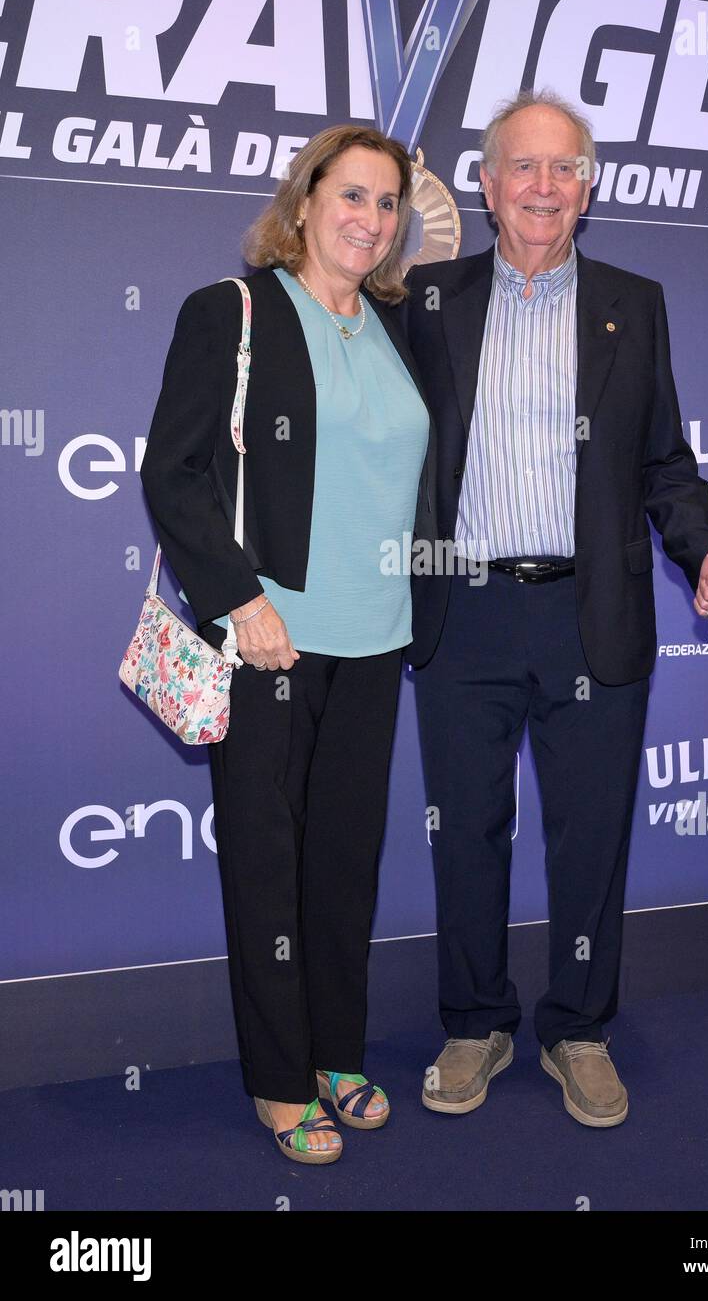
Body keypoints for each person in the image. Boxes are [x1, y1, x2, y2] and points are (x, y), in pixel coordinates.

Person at [402, 88, 708, 1126]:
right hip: (463, 610)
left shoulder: (633, 303)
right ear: (487, 183)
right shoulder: (425, 298)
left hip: (592, 612)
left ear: (587, 190)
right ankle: (475, 1022)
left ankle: (578, 1029)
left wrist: (701, 549)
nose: (544, 187)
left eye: (565, 168)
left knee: (591, 835)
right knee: (466, 830)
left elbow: (662, 459)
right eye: (525, 166)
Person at [140, 125, 435, 1163]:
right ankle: (278, 1079)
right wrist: (239, 601)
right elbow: (172, 472)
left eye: (387, 203)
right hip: (272, 644)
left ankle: (337, 1053)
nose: (370, 219)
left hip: (379, 640)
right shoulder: (234, 311)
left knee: (343, 864)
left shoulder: (398, 325)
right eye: (350, 195)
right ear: (303, 201)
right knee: (268, 868)